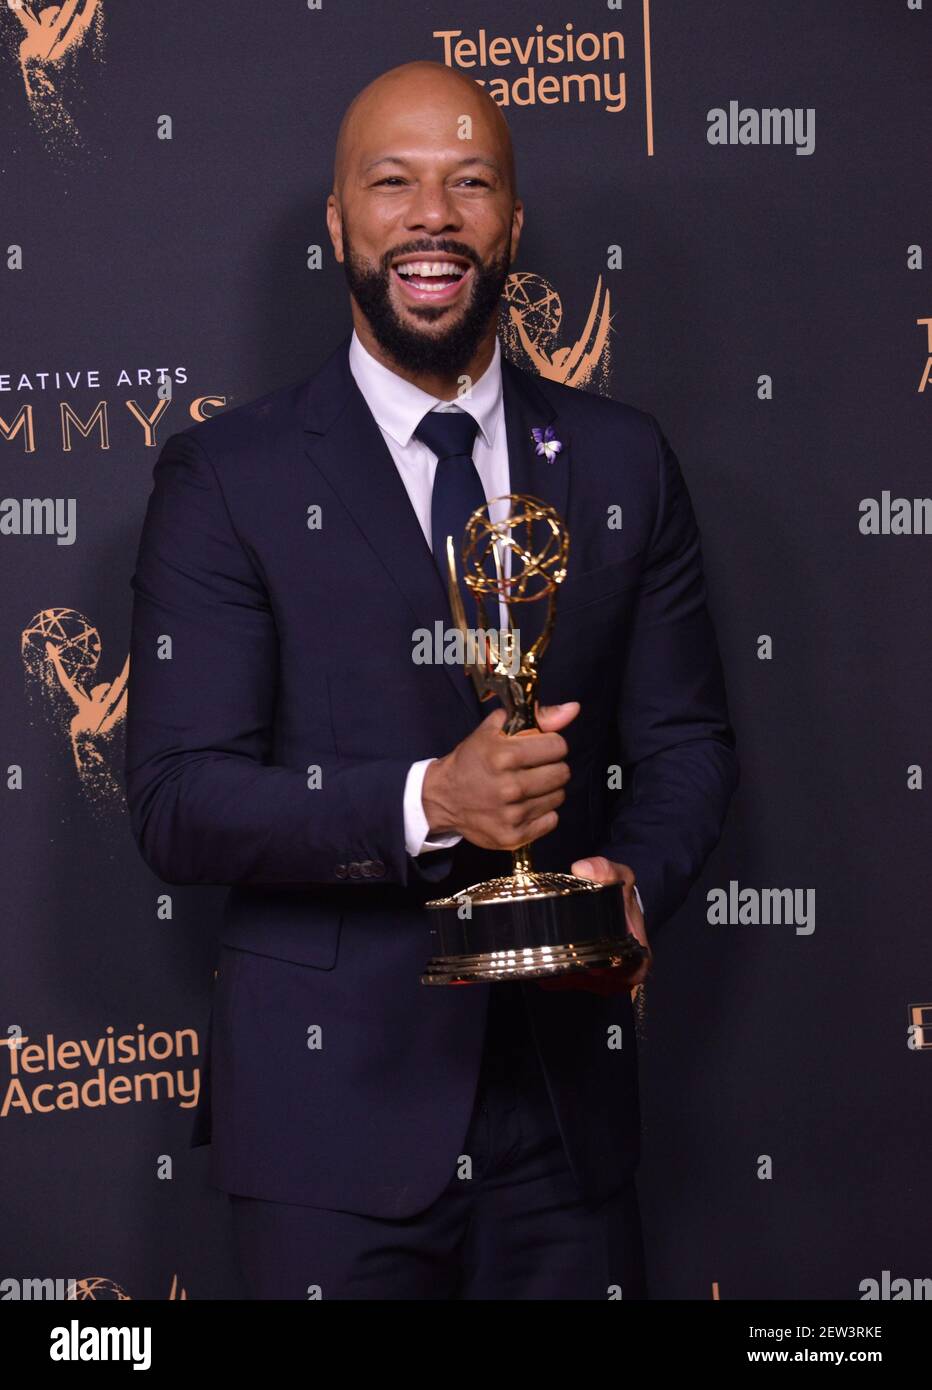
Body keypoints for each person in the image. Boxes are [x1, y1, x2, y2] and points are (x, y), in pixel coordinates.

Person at [125, 60, 738, 1300]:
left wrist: (633, 887)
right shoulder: (227, 477)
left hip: (564, 1126)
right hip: (329, 1132)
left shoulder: (620, 458)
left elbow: (684, 746)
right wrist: (426, 801)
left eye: (470, 184)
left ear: (511, 224)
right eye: (392, 184)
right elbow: (178, 800)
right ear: (340, 228)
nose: (433, 217)